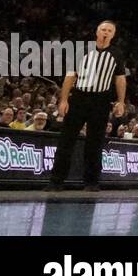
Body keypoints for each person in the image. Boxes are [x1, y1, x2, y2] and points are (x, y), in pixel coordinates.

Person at [47, 20, 127, 191]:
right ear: (97, 32)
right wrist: (63, 100)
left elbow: (120, 78)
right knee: (66, 140)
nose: (106, 32)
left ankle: (91, 182)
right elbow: (70, 76)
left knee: (95, 142)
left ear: (113, 34)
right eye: (103, 29)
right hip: (79, 97)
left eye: (109, 30)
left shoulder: (117, 54)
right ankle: (56, 181)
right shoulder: (82, 50)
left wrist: (121, 101)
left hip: (101, 99)